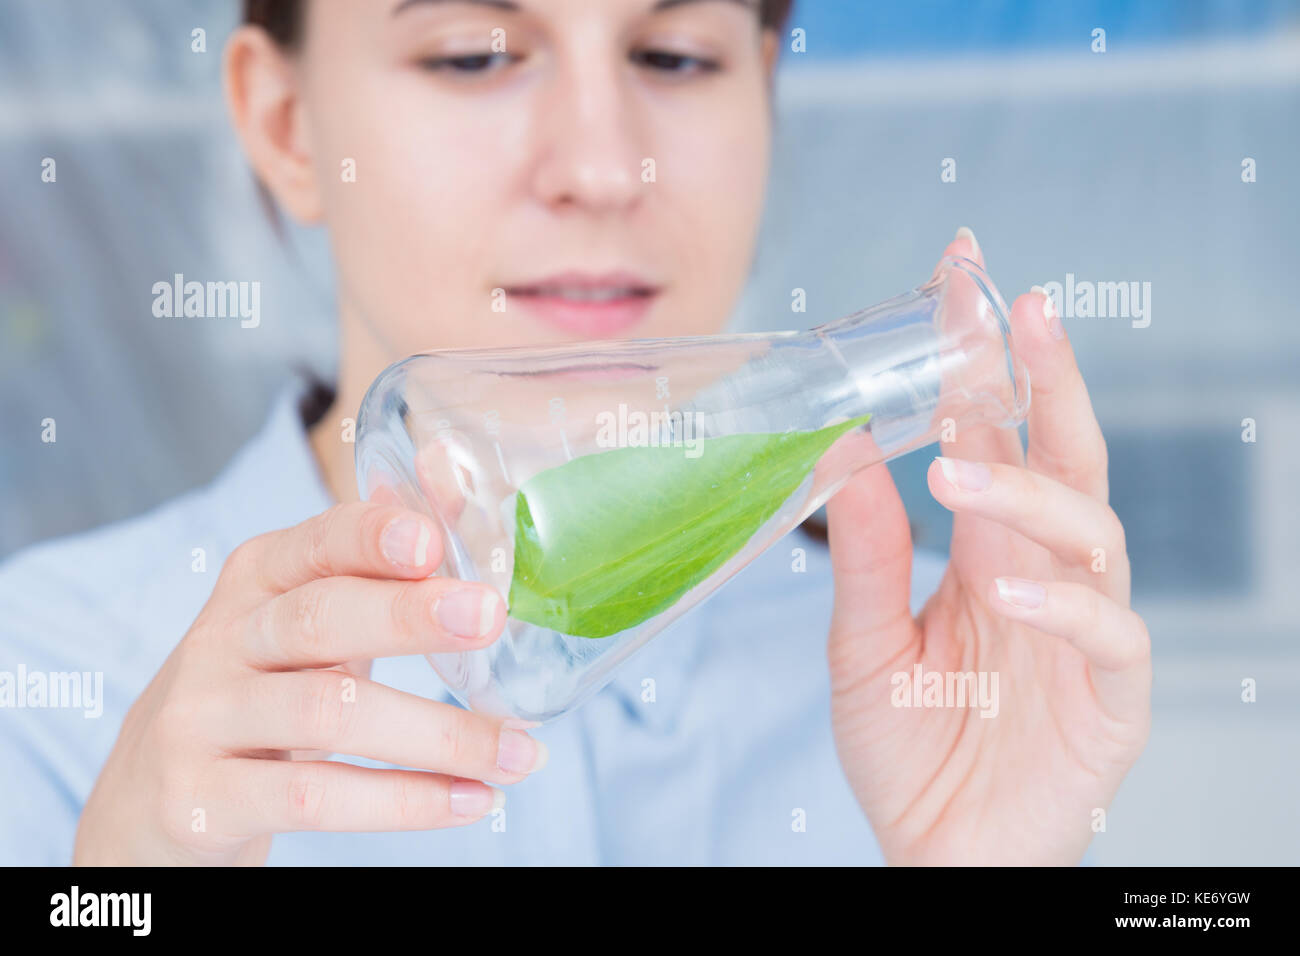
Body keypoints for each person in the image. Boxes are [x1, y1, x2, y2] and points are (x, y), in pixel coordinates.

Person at [0, 0, 1150, 865]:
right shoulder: (51, 684)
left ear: (762, 88)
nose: (604, 169)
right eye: (475, 54)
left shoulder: (965, 686)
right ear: (288, 125)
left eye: (675, 55)